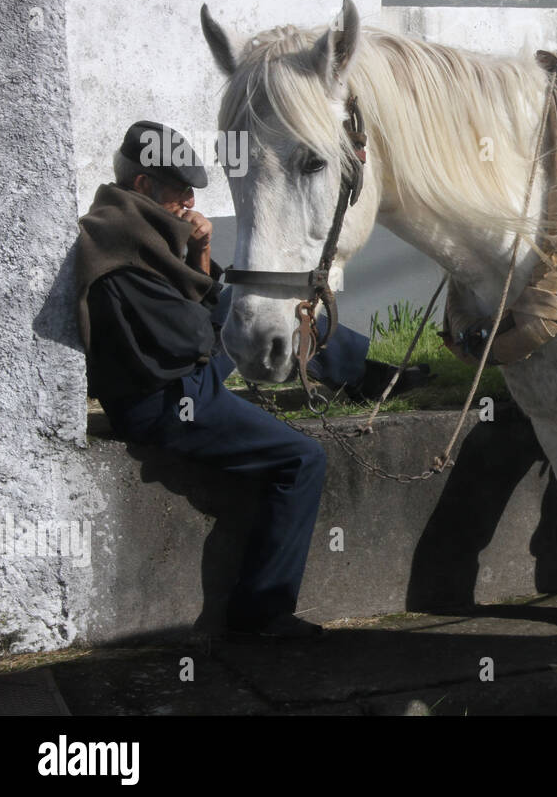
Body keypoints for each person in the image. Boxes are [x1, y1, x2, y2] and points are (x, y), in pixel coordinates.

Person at [74, 121, 423, 639]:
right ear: (144, 185)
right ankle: (261, 613)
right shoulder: (120, 249)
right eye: (180, 189)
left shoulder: (133, 226)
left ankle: (365, 375)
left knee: (264, 310)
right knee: (304, 458)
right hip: (166, 399)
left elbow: (195, 306)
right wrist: (228, 305)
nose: (190, 200)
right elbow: (188, 341)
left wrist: (203, 262)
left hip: (175, 378)